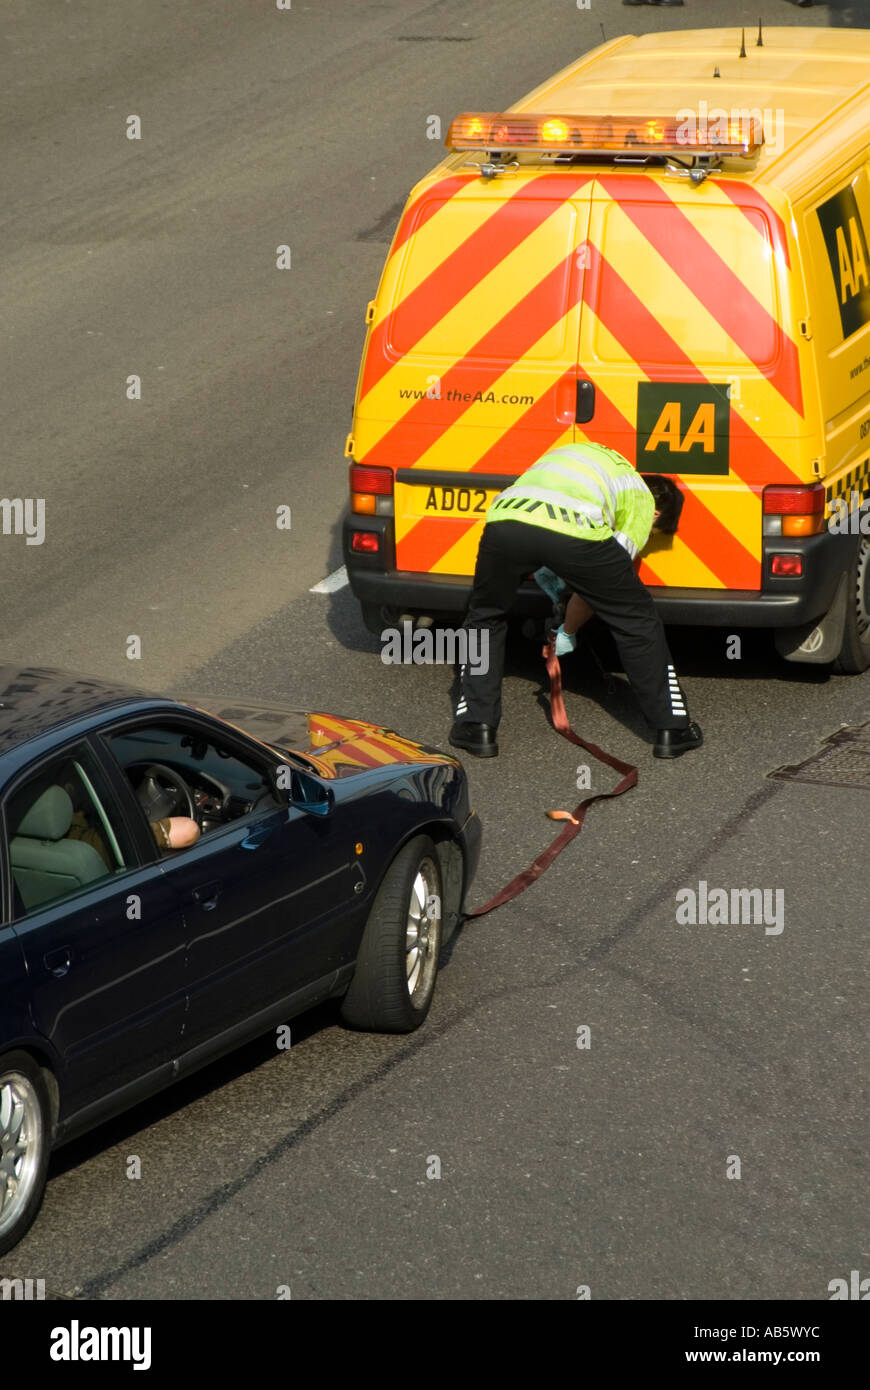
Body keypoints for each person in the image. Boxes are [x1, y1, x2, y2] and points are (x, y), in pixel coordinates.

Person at [449, 441, 702, 760]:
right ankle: (674, 729)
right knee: (637, 621)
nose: (648, 539)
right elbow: (602, 587)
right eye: (654, 532)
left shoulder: (581, 456)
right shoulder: (640, 496)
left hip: (505, 519)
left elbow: (540, 521)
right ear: (656, 513)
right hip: (575, 527)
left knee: (484, 617)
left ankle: (477, 728)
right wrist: (568, 630)